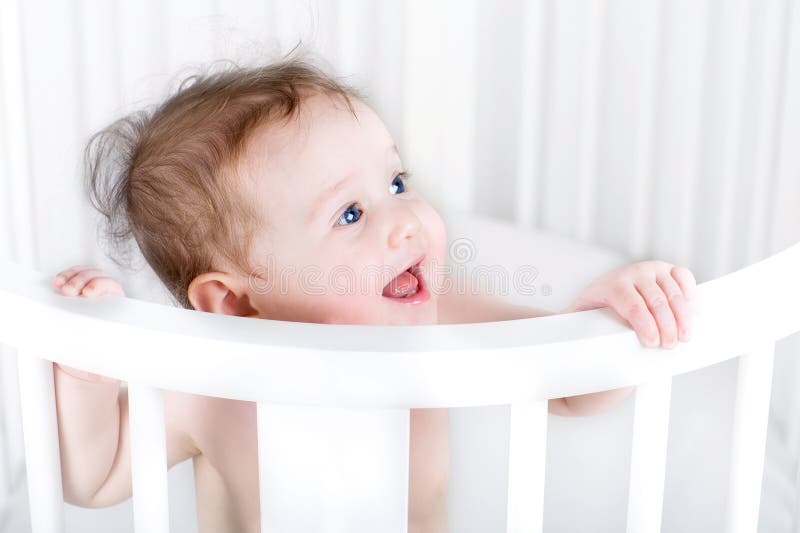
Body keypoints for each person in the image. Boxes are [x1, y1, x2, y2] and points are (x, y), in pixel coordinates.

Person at [51, 52, 696, 533]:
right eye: (350, 216)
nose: (407, 222)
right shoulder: (211, 386)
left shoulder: (441, 318)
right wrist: (86, 374)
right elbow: (97, 478)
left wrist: (613, 311)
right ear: (234, 301)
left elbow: (571, 386)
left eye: (395, 183)